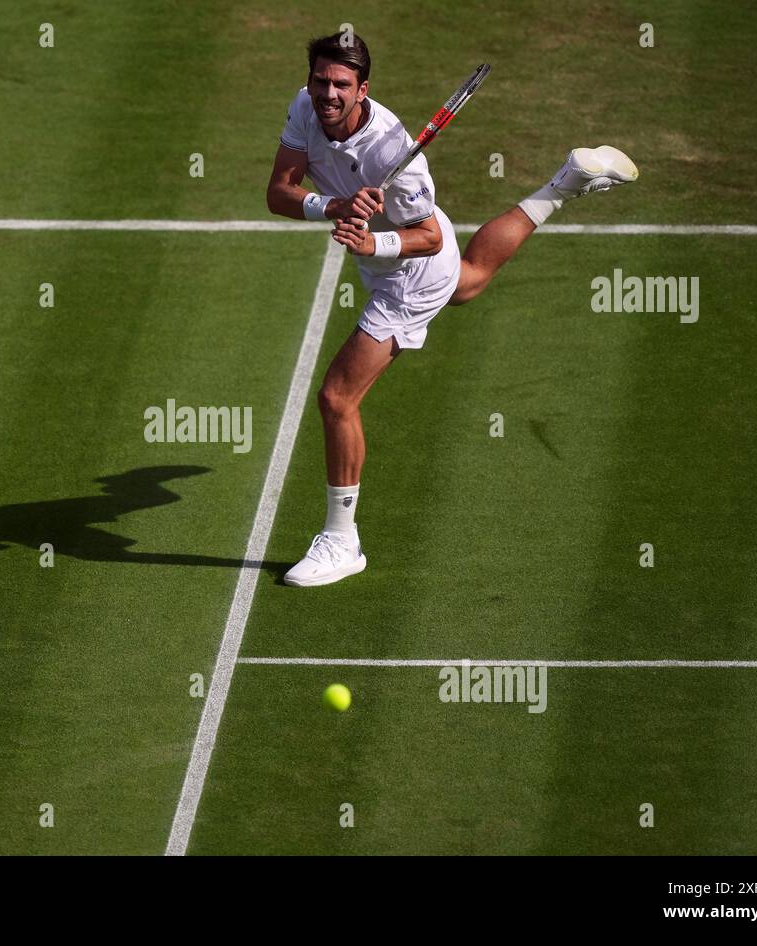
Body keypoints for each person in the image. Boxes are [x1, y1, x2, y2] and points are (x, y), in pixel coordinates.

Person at [267, 32, 638, 587]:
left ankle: (342, 542)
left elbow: (428, 237)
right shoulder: (304, 106)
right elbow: (279, 191)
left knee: (337, 397)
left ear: (362, 89)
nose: (328, 93)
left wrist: (374, 243)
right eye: (321, 81)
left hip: (411, 271)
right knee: (467, 283)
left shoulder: (394, 155)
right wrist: (335, 205)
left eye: (341, 84)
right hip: (399, 260)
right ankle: (567, 182)